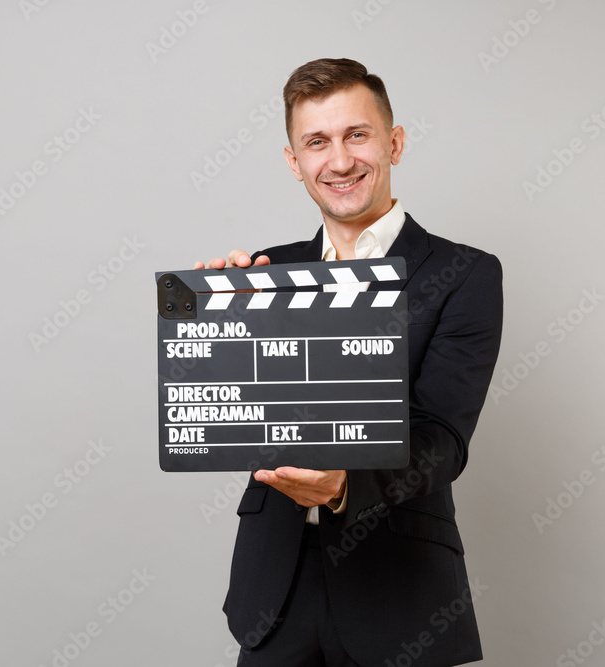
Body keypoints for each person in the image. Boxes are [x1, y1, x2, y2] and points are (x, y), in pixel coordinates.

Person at [195, 58, 503, 666]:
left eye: (357, 135)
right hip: (275, 586)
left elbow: (443, 438)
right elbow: (236, 415)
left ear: (395, 143)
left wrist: (345, 486)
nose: (339, 161)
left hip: (399, 589)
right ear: (294, 162)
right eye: (317, 142)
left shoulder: (464, 274)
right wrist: (213, 322)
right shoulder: (267, 271)